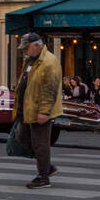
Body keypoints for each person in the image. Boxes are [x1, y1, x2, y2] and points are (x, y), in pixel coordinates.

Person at [14, 32, 64, 188]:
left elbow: (50, 88)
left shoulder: (49, 62)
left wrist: (45, 111)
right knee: (22, 138)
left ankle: (43, 176)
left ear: (37, 45)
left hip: (39, 109)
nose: (25, 51)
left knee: (40, 143)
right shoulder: (31, 60)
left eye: (27, 48)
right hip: (27, 108)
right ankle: (47, 167)